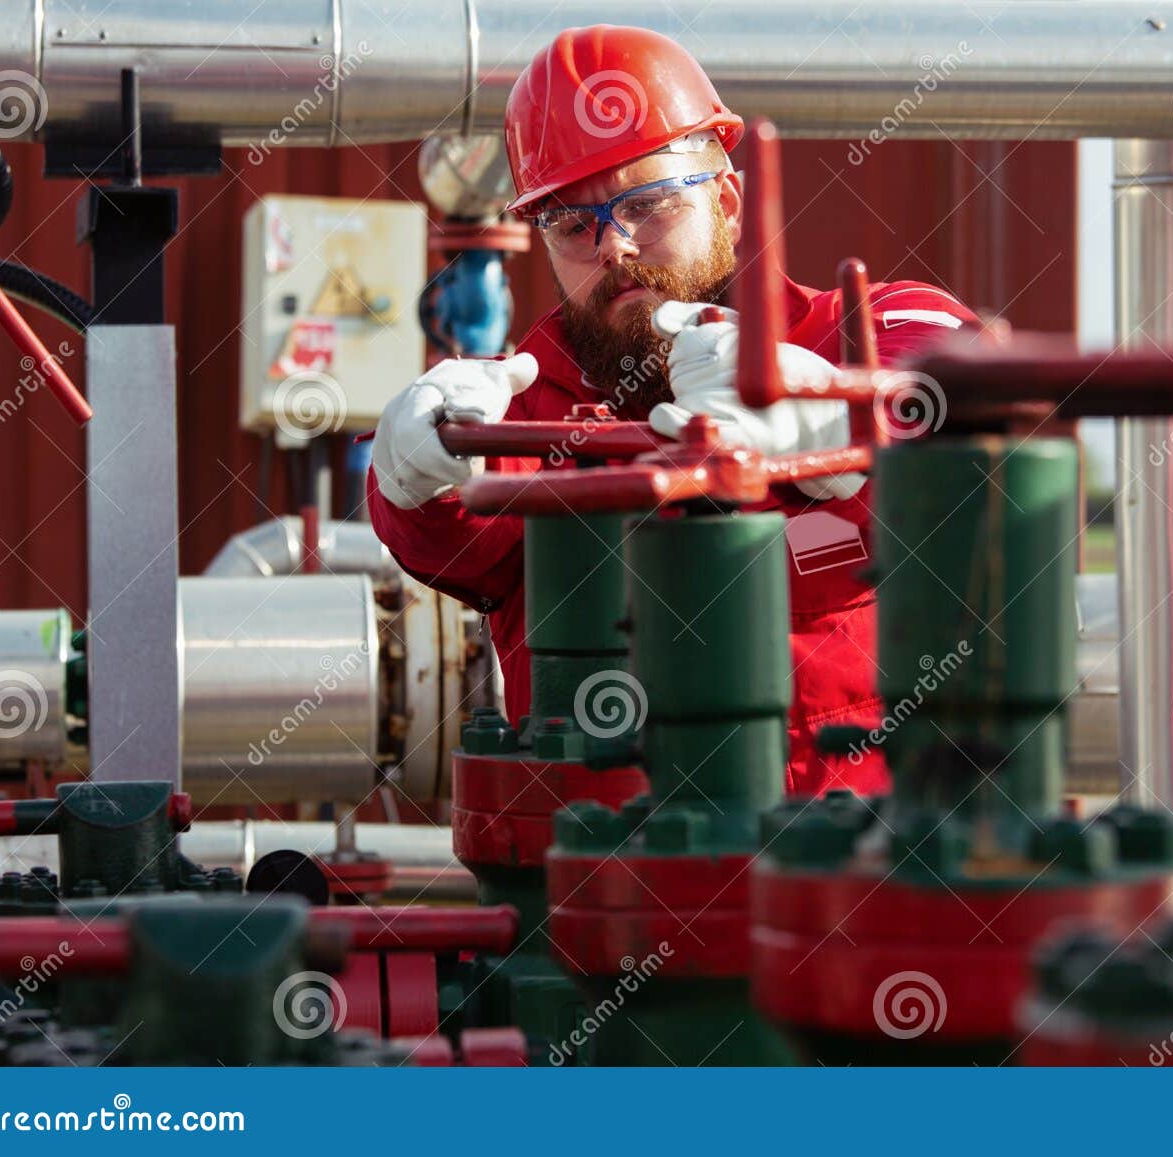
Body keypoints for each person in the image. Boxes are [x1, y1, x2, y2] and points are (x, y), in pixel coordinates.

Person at [368, 25, 975, 797]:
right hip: (611, 891)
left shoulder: (856, 332)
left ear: (726, 201)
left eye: (647, 202)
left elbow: (952, 386)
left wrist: (829, 412)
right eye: (569, 222)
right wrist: (414, 478)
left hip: (852, 884)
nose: (613, 246)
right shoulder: (523, 411)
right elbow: (456, 537)